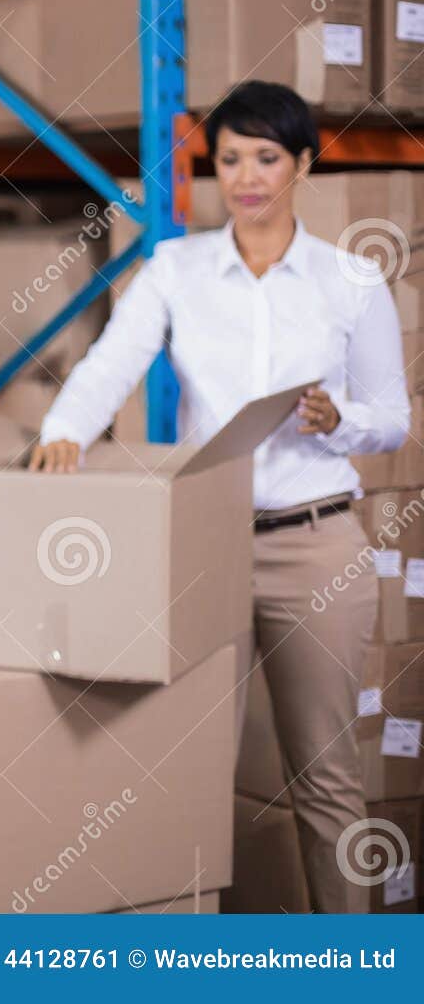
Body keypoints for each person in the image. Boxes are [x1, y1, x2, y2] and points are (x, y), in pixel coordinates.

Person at [30, 80, 409, 912]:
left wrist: (339, 420)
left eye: (265, 158)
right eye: (230, 159)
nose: (245, 177)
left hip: (316, 546)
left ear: (302, 164)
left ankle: (349, 961)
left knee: (326, 773)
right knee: (189, 771)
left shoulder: (350, 279)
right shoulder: (178, 269)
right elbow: (109, 363)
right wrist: (64, 432)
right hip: (205, 543)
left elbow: (393, 421)